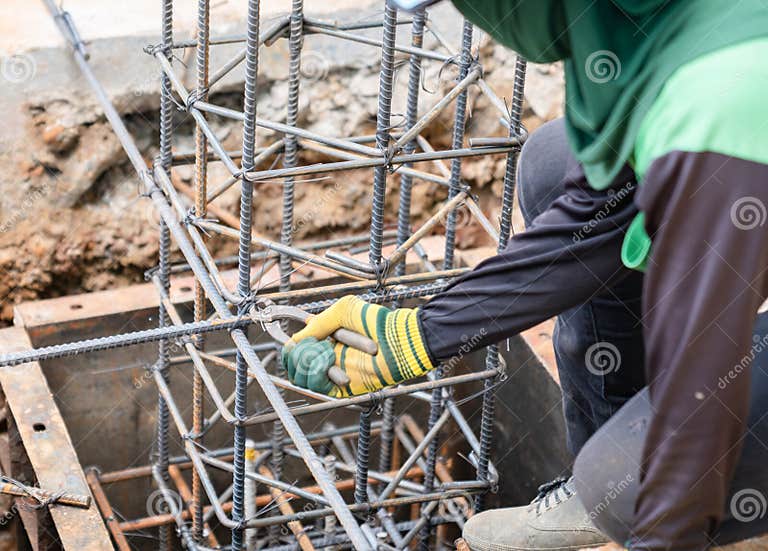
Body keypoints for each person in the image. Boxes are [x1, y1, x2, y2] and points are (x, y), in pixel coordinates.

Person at [282, 1, 768, 549]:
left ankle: (625, 487)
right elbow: (594, 213)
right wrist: (416, 336)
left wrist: (661, 527)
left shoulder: (728, 104)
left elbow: (705, 359)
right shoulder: (633, 27)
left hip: (738, 149)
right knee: (552, 163)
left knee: (629, 485)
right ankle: (605, 478)